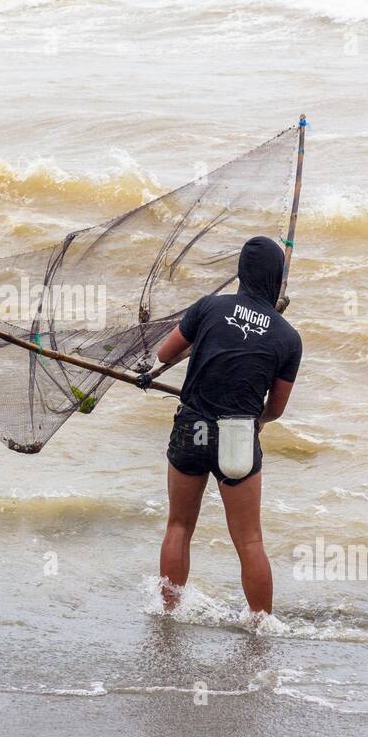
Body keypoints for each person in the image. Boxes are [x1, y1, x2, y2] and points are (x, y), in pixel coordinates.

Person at [149, 236, 302, 618]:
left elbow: (164, 354)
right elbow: (276, 409)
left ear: (241, 273)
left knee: (179, 526)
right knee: (250, 540)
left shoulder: (208, 308)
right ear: (276, 280)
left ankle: (169, 614)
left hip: (192, 427)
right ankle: (261, 627)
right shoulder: (287, 337)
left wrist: (203, 338)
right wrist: (259, 423)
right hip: (237, 436)